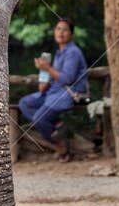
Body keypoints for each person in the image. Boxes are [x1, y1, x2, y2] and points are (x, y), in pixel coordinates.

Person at [16, 19, 88, 161]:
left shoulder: (73, 52)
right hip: (53, 92)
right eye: (58, 29)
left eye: (65, 30)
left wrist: (47, 68)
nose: (60, 32)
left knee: (39, 118)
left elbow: (67, 79)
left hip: (68, 93)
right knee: (24, 103)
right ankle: (57, 125)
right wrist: (43, 75)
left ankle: (61, 147)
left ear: (71, 34)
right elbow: (49, 82)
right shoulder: (59, 52)